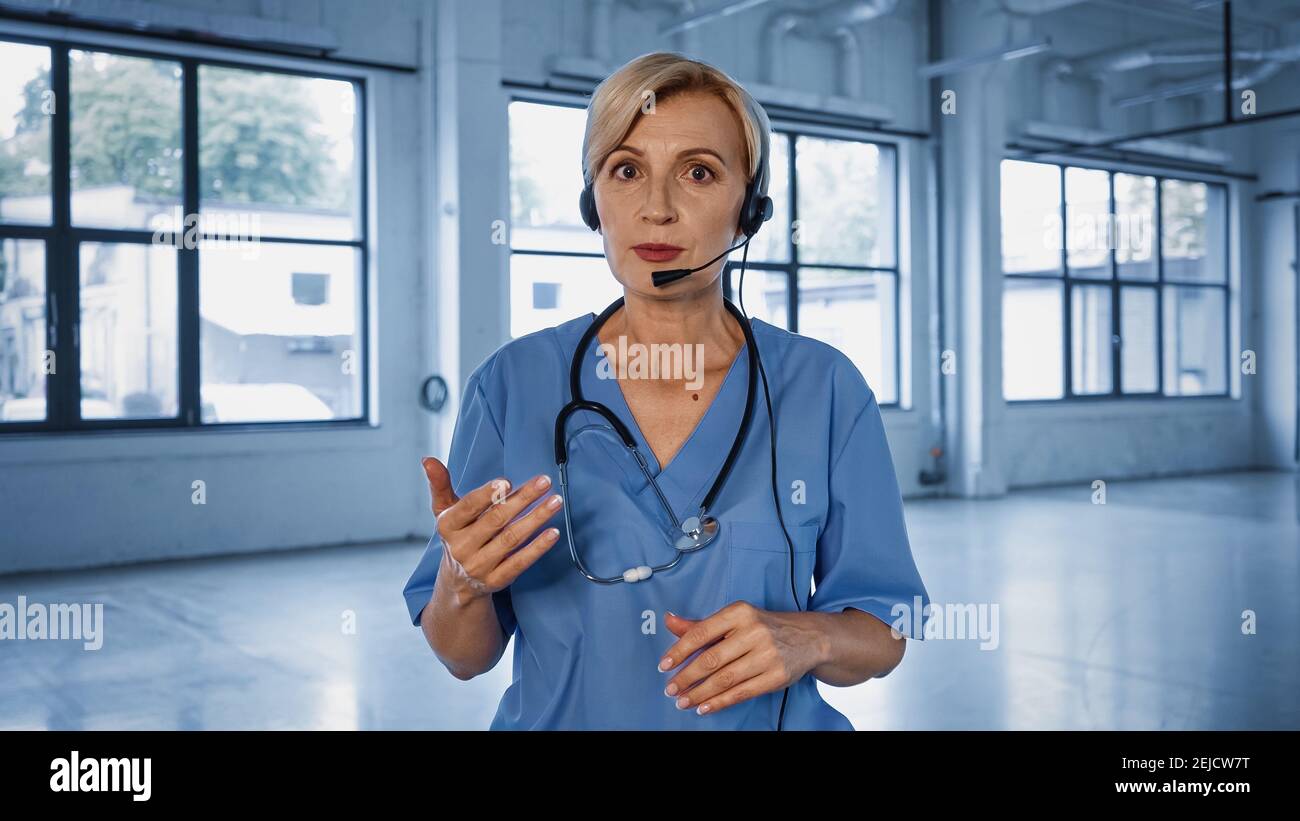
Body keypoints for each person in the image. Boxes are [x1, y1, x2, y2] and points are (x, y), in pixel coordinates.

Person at [403, 51, 930, 730]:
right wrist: (464, 580)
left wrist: (810, 637)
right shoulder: (512, 385)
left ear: (751, 210)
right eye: (626, 171)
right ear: (595, 202)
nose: (656, 209)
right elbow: (463, 655)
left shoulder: (824, 390)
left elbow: (886, 628)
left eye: (699, 172)